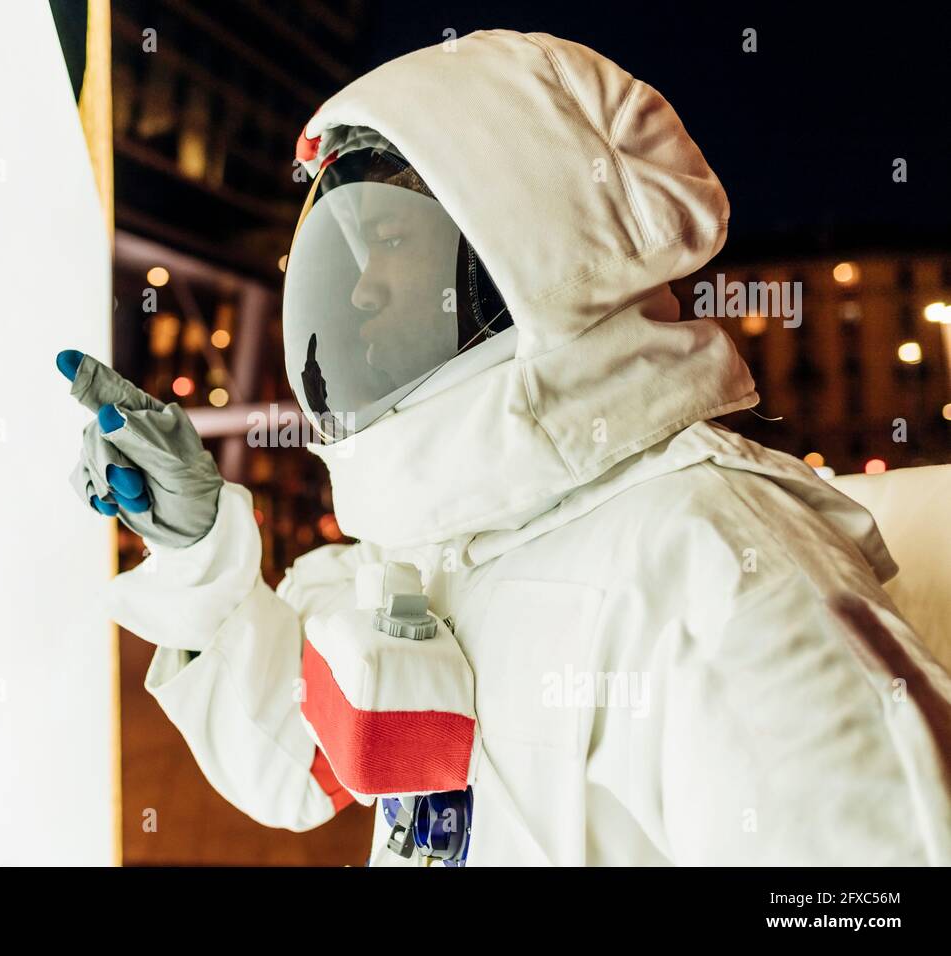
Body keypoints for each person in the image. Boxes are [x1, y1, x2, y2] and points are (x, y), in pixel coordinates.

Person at [58, 30, 951, 865]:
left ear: (513, 250)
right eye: (357, 251)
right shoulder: (435, 552)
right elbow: (292, 762)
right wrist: (197, 546)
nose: (361, 290)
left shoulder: (709, 562)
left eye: (394, 240)